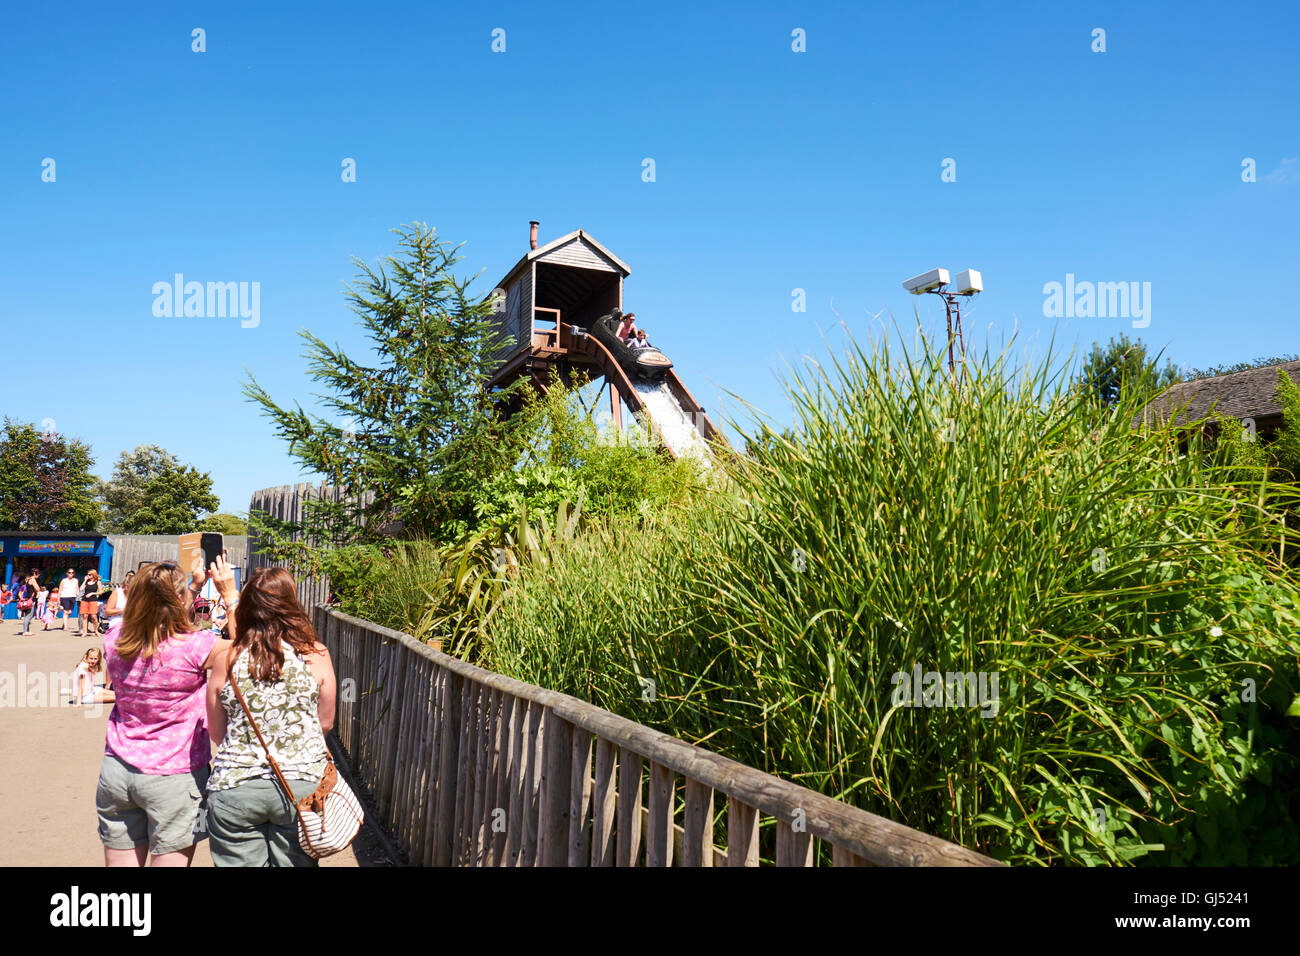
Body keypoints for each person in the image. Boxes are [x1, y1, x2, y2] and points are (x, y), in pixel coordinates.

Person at [95, 557, 227, 867]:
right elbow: (249, 645)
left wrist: (191, 586)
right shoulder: (198, 646)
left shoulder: (114, 640)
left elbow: (155, 620)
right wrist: (228, 593)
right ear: (179, 600)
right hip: (176, 776)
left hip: (118, 769)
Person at [206, 565, 336, 867]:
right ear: (292, 605)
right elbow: (325, 723)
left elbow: (216, 730)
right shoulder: (315, 654)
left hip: (234, 786)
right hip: (301, 788)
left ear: (248, 606)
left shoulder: (228, 656)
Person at [80, 569, 104, 637]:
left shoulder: (98, 582)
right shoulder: (86, 581)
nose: (88, 576)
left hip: (93, 600)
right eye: (87, 574)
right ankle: (85, 632)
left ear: (93, 575)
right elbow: (81, 589)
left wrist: (92, 593)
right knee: (85, 616)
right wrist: (84, 580)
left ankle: (96, 630)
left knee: (93, 616)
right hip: (84, 600)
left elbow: (101, 592)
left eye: (90, 574)